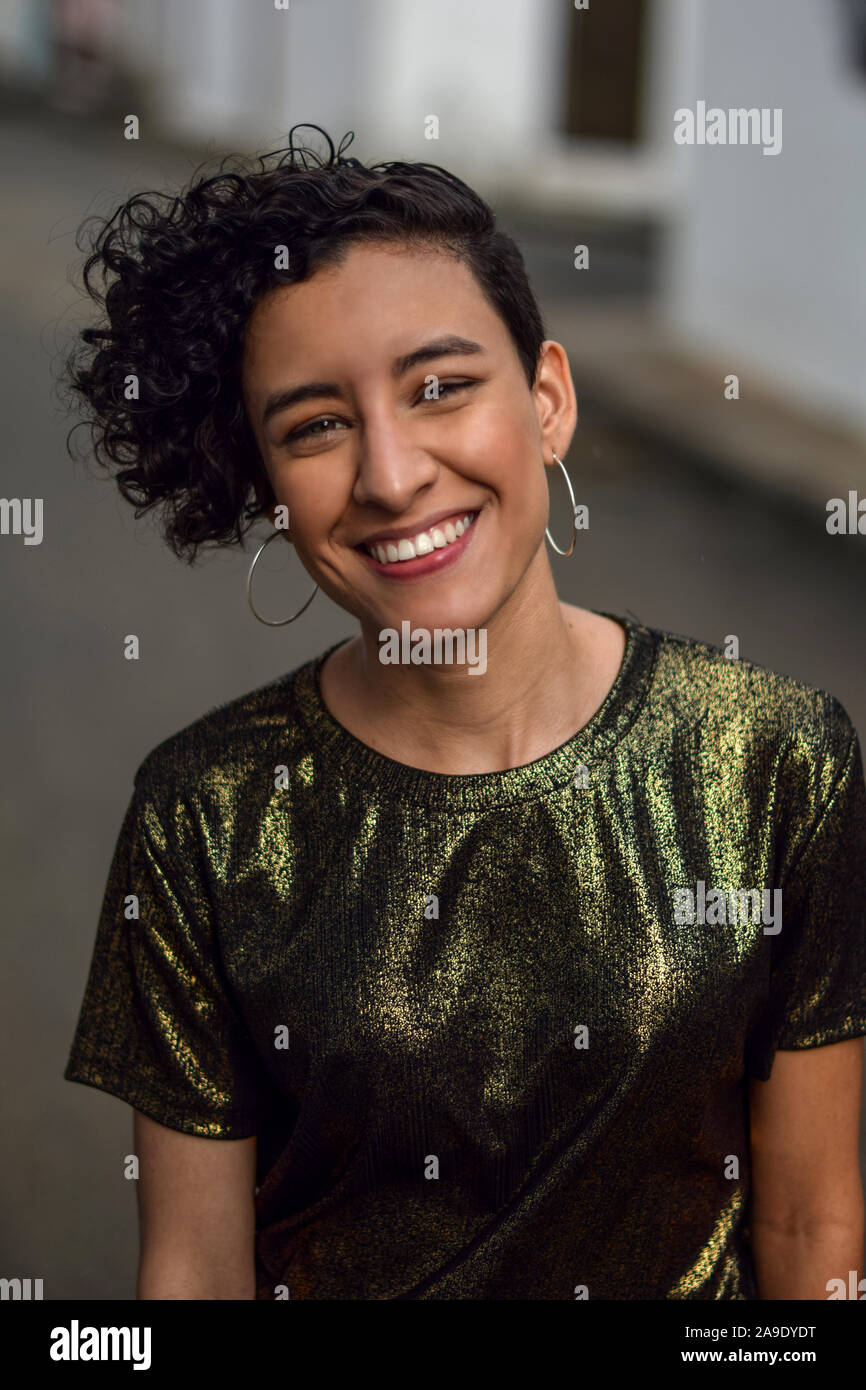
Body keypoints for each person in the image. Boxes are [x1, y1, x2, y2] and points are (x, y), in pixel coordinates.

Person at [63, 124, 866, 1301]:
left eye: (439, 386)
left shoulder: (776, 762)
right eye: (315, 425)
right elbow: (192, 1270)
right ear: (270, 490)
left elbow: (809, 1228)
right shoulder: (204, 816)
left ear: (546, 400)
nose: (389, 475)